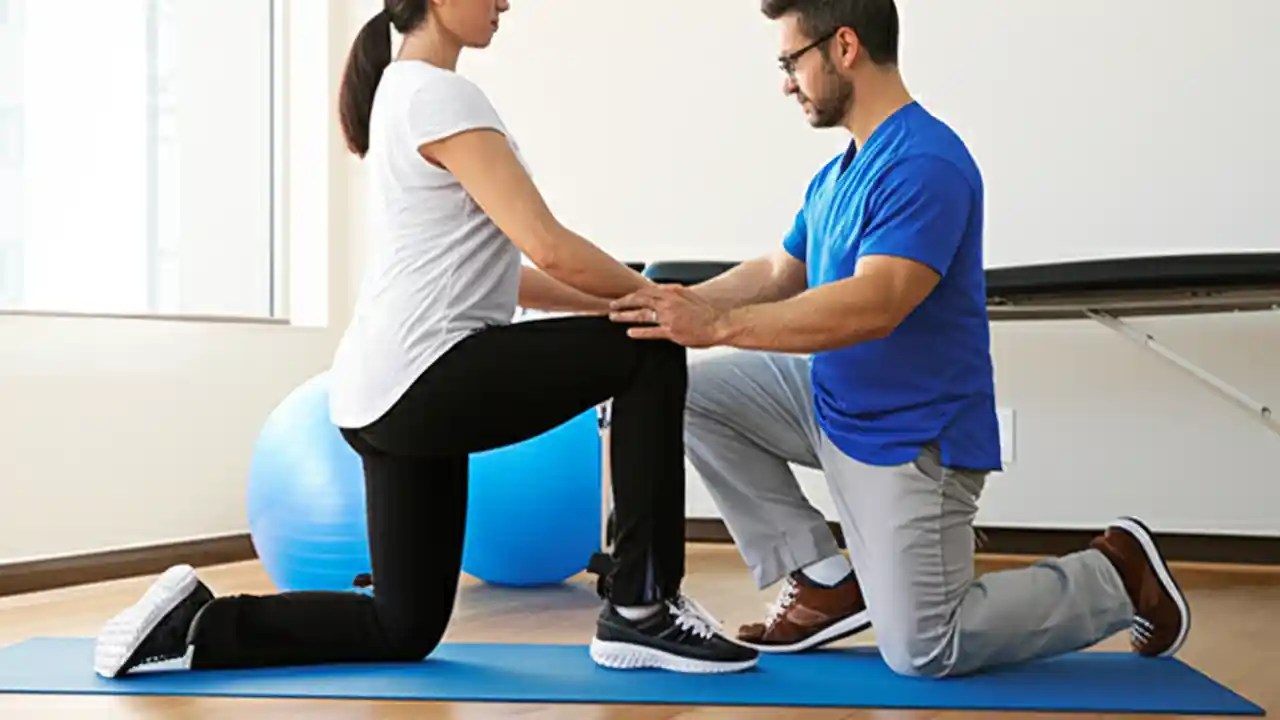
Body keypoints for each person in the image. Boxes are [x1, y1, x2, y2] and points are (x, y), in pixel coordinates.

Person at [92, 0, 757, 679]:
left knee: (400, 625)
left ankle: (196, 626)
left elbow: (516, 276)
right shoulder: (440, 96)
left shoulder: (401, 95)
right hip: (426, 377)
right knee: (649, 349)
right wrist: (667, 307)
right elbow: (551, 246)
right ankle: (643, 609)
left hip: (381, 395)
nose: (504, 3)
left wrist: (630, 300)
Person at [609, 0, 1190, 678]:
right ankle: (825, 581)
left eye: (790, 61)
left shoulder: (926, 162)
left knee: (923, 649)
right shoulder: (839, 174)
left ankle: (1116, 574)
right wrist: (668, 305)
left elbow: (875, 305)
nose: (785, 82)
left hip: (909, 437)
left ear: (844, 46)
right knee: (686, 393)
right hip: (832, 398)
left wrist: (713, 325)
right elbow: (778, 270)